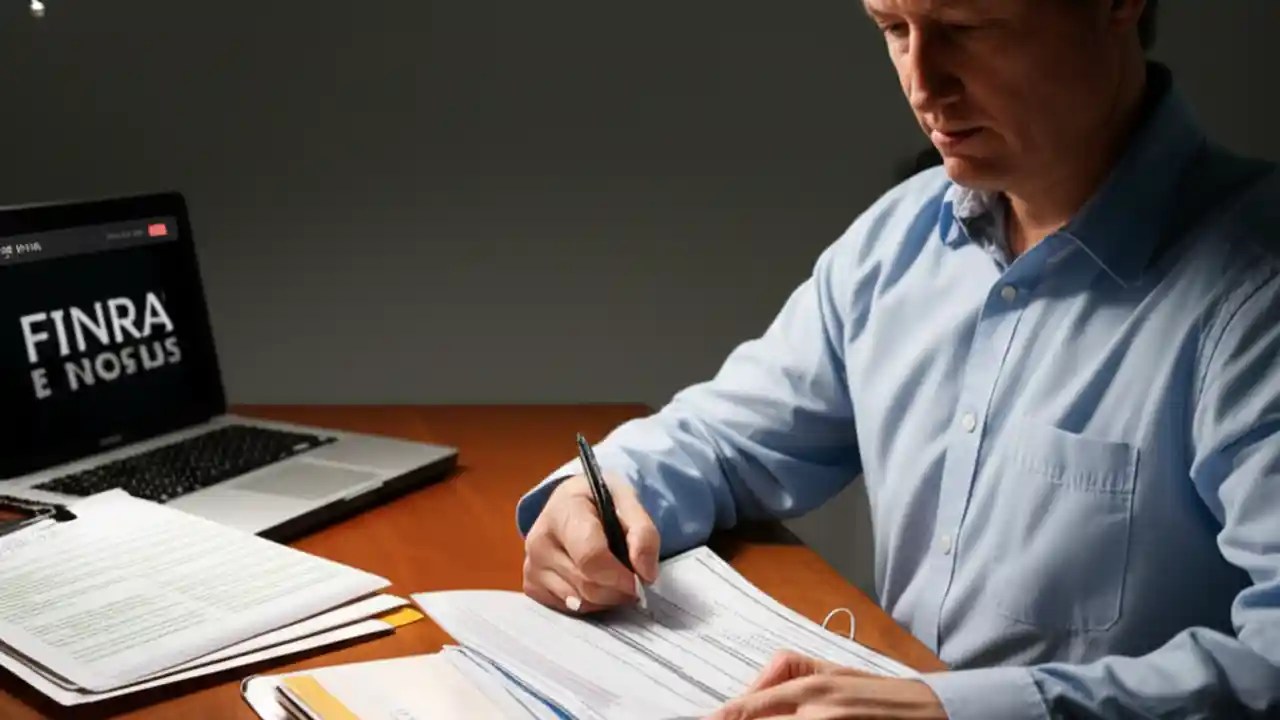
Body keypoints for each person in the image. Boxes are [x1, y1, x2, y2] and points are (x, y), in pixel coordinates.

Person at [515, 0, 1280, 717]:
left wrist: (959, 710)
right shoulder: (901, 241)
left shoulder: (1255, 299)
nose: (924, 84)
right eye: (892, 26)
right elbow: (726, 438)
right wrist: (607, 492)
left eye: (967, 26)